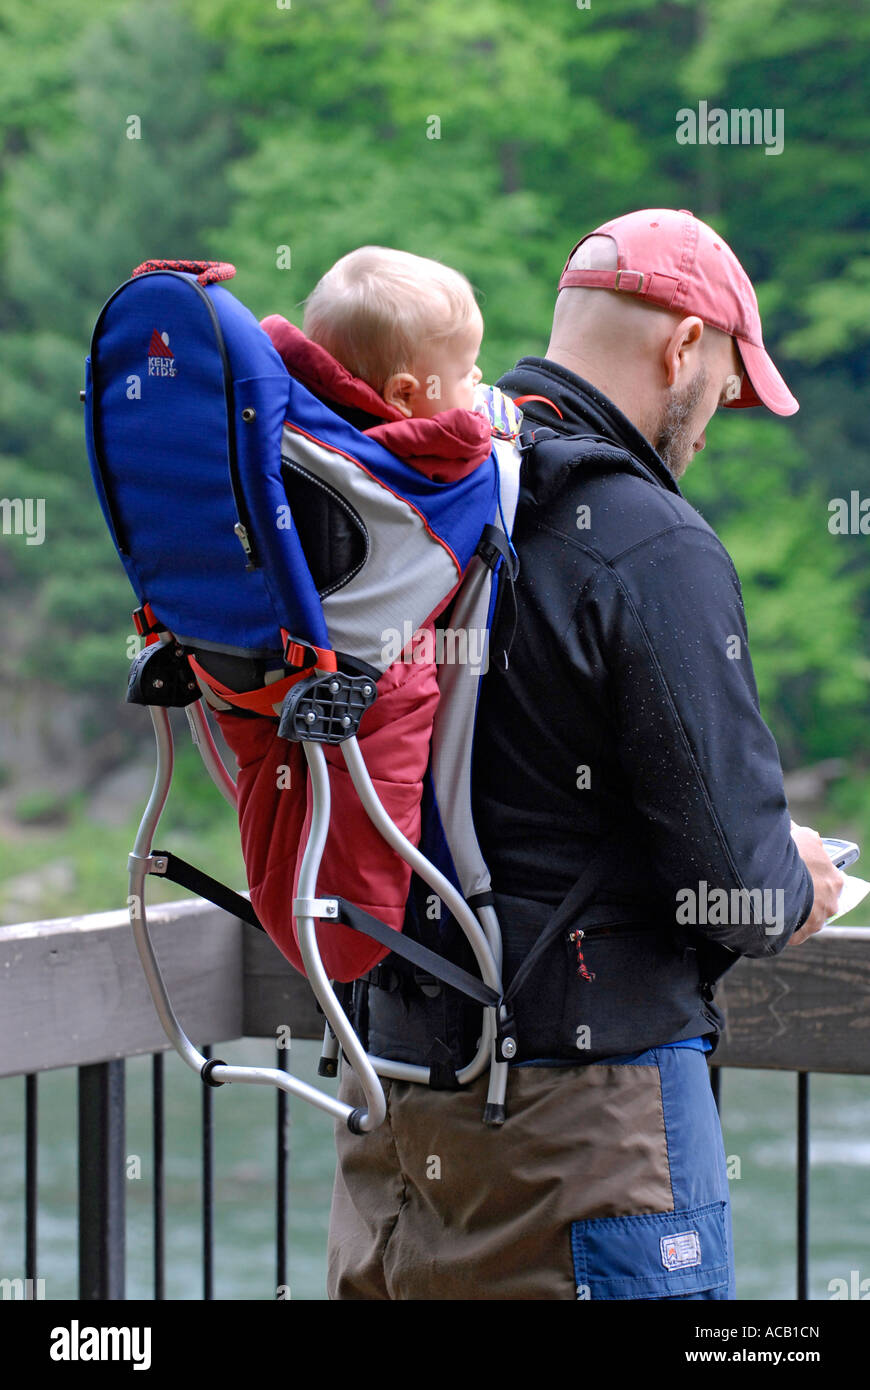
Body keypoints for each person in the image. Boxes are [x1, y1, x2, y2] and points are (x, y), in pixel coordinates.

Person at [326, 209, 844, 1301]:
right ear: (683, 347)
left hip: (395, 1123)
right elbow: (741, 898)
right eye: (726, 389)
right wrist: (801, 878)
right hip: (585, 1146)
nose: (710, 428)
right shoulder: (651, 543)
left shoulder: (424, 498)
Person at [213, 246, 492, 981]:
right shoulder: (437, 457)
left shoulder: (276, 419)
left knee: (284, 814)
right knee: (360, 841)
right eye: (468, 373)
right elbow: (473, 452)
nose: (482, 388)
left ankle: (304, 921)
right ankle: (348, 941)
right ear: (406, 394)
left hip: (248, 672)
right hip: (366, 686)